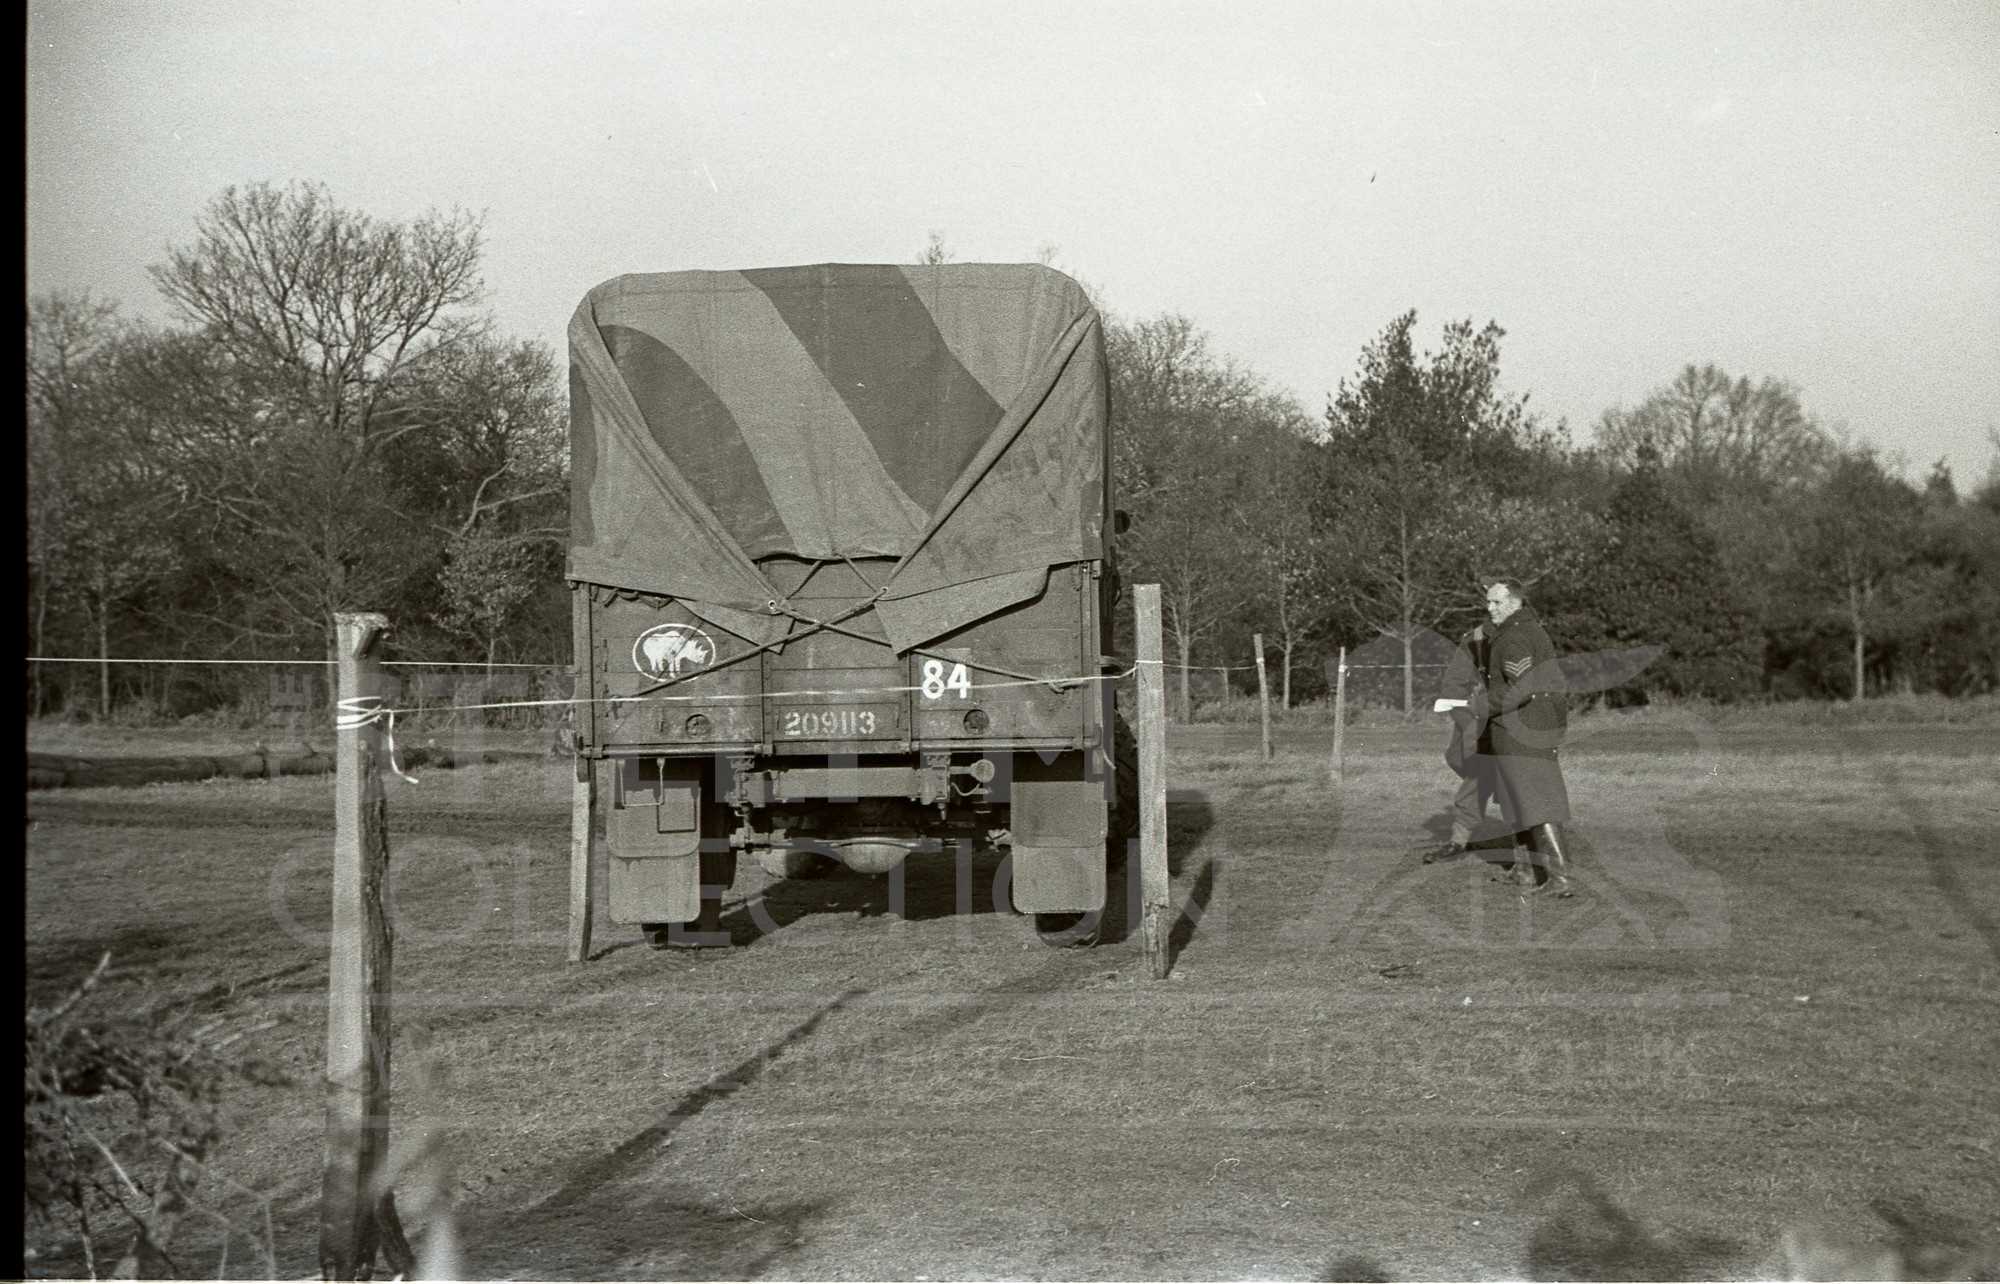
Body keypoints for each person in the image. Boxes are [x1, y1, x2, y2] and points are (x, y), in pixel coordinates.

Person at [1479, 578, 1576, 897]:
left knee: (1536, 801)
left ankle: (1560, 880)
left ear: (1513, 603)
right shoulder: (1524, 630)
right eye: (1489, 602)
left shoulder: (1514, 636)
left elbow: (1520, 688)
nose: (1489, 607)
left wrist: (1480, 704)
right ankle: (1524, 871)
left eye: (1495, 602)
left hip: (1522, 730)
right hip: (1527, 728)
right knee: (1516, 798)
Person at [1417, 621, 1497, 863]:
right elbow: (1454, 683)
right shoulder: (1476, 638)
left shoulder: (1524, 635)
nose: (1494, 607)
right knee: (1457, 757)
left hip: (1513, 718)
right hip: (1475, 713)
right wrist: (1469, 724)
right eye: (1491, 602)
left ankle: (1459, 839)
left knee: (1481, 771)